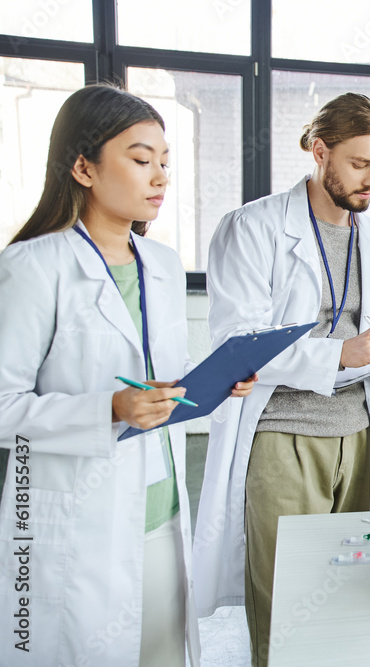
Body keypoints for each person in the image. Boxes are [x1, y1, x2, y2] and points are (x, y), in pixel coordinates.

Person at [0, 84, 254, 666]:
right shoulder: (32, 267)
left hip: (161, 511)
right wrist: (107, 409)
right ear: (83, 167)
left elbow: (149, 381)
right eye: (141, 160)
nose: (160, 177)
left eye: (165, 162)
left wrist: (208, 385)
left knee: (161, 656)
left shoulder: (160, 266)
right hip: (78, 521)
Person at [193, 93, 370, 667]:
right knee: (285, 601)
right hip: (284, 437)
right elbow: (237, 345)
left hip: (359, 435)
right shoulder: (251, 228)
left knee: (348, 598)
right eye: (359, 164)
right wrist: (340, 354)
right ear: (319, 150)